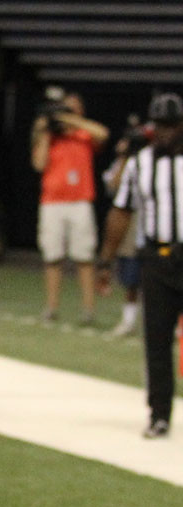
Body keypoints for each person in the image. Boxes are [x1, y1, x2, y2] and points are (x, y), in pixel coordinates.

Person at [98, 92, 183, 439]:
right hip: (156, 259)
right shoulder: (139, 164)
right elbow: (121, 212)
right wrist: (106, 260)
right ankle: (159, 414)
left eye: (170, 125)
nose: (164, 132)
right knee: (157, 340)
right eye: (159, 125)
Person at [31, 90, 109, 324]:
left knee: (84, 256)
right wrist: (45, 131)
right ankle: (52, 307)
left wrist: (72, 120)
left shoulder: (83, 134)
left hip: (80, 201)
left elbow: (103, 134)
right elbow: (39, 164)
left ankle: (88, 309)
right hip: (52, 202)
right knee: (52, 256)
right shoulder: (51, 136)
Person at [100, 115, 149, 337]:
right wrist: (124, 157)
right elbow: (114, 187)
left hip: (161, 229)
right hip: (133, 221)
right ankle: (129, 320)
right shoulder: (131, 163)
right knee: (131, 276)